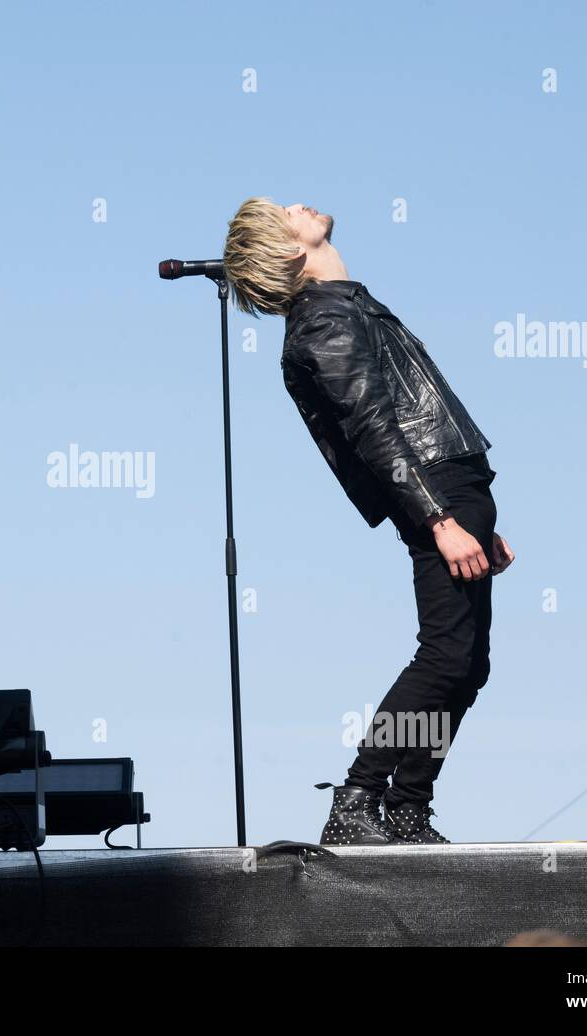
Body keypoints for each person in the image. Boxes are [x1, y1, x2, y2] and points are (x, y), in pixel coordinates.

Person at [223, 198, 515, 844]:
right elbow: (375, 428)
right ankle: (359, 796)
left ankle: (408, 804)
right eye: (285, 212)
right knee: (444, 656)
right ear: (289, 250)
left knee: (467, 663)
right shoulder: (323, 321)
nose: (301, 204)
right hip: (435, 490)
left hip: (451, 485)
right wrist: (439, 519)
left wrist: (469, 515)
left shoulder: (340, 306)